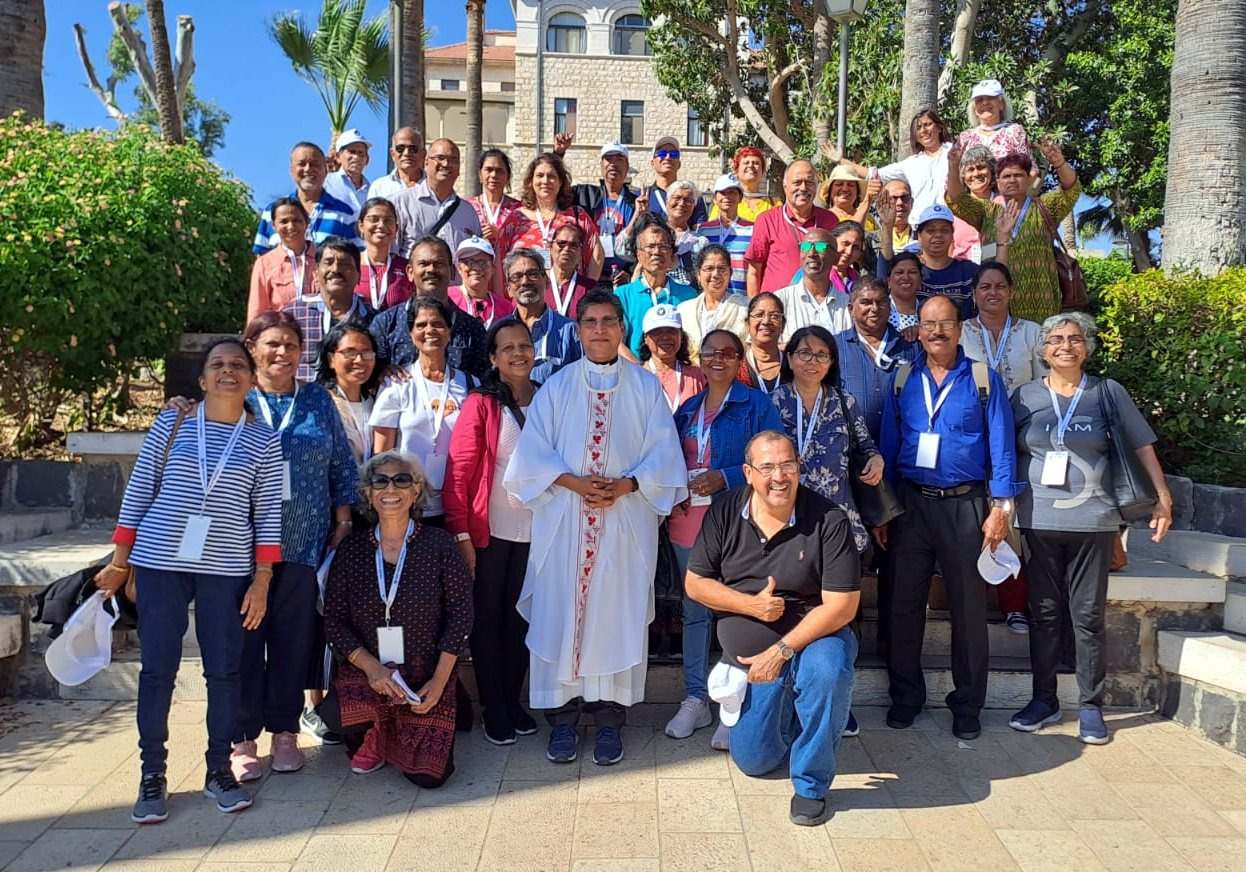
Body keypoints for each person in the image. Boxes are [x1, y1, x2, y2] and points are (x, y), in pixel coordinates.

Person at [99, 339, 282, 824]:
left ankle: (218, 770)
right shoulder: (174, 421)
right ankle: (152, 774)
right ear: (202, 380)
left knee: (224, 671)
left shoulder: (264, 441)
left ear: (252, 378)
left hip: (226, 570)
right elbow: (140, 489)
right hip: (161, 562)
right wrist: (121, 562)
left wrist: (262, 579)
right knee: (158, 670)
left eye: (238, 366)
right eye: (217, 365)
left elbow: (266, 515)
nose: (228, 372)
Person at [503, 289, 688, 766]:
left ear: (622, 328)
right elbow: (532, 457)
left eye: (609, 321)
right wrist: (574, 483)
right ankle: (562, 722)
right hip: (564, 520)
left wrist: (627, 485)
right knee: (559, 616)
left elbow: (666, 457)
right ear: (578, 329)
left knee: (615, 617)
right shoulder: (557, 387)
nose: (600, 329)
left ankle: (609, 721)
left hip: (624, 523)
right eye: (591, 321)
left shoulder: (646, 389)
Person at [1009, 312, 1173, 744]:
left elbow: (1143, 444)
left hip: (1095, 521)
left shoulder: (1107, 392)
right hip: (1038, 520)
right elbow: (1006, 451)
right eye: (1057, 339)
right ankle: (1043, 700)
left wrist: (1162, 495)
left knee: (1086, 616)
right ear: (1043, 348)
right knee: (1043, 615)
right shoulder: (1024, 396)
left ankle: (1090, 706)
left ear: (1088, 346)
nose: (1066, 345)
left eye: (1075, 338)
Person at [685, 430, 860, 827]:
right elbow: (695, 584)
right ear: (748, 473)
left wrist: (781, 651)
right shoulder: (725, 512)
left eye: (787, 465)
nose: (778, 477)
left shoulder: (829, 519)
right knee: (755, 761)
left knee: (825, 671)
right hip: (753, 660)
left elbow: (842, 606)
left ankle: (811, 785)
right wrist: (750, 606)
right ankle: (800, 715)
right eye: (767, 467)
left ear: (800, 469)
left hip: (815, 637)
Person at [877, 296, 1021, 740]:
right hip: (911, 505)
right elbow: (887, 445)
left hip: (967, 506)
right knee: (903, 606)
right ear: (917, 329)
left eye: (945, 324)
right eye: (928, 324)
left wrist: (1001, 508)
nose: (936, 331)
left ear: (961, 328)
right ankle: (906, 696)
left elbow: (1002, 444)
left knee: (968, 610)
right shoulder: (902, 378)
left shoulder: (982, 378)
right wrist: (882, 510)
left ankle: (968, 703)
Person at [232, 312, 357, 779]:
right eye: (271, 344)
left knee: (291, 642)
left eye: (289, 344)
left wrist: (343, 520)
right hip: (240, 546)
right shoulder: (237, 400)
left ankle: (285, 733)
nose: (281, 353)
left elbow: (342, 462)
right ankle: (242, 738)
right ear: (251, 347)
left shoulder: (317, 400)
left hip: (305, 545)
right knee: (244, 644)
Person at [319, 450, 473, 785]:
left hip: (424, 675)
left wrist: (440, 680)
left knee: (430, 777)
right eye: (380, 481)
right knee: (333, 715)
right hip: (372, 672)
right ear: (368, 494)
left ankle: (389, 733)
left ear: (416, 491)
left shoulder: (440, 545)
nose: (391, 488)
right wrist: (372, 668)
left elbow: (461, 615)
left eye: (402, 479)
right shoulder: (352, 550)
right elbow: (334, 622)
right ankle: (382, 729)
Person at [665, 331, 783, 747]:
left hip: (736, 524)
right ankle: (696, 698)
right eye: (710, 352)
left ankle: (733, 701)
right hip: (686, 524)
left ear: (739, 361)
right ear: (700, 359)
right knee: (695, 612)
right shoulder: (687, 408)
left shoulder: (756, 405)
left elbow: (774, 464)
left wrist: (728, 476)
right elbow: (667, 459)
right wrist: (672, 491)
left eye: (727, 353)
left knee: (737, 613)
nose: (718, 359)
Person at [445, 320, 540, 745]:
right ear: (492, 357)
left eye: (524, 345)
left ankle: (513, 701)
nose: (518, 353)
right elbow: (458, 475)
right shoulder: (480, 404)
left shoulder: (547, 398)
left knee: (522, 620)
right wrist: (462, 536)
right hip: (490, 534)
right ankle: (494, 707)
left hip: (538, 533)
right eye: (508, 348)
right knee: (488, 622)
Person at [772, 326, 883, 556]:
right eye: (805, 353)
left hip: (838, 515)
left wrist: (876, 459)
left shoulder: (844, 401)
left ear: (831, 361)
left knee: (840, 589)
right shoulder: (772, 403)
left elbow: (867, 445)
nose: (813, 361)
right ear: (790, 359)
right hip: (787, 515)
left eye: (822, 355)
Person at [947, 139, 1080, 323]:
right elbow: (956, 199)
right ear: (998, 182)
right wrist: (954, 166)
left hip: (1041, 304)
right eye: (1006, 176)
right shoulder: (987, 211)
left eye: (1018, 175)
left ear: (1028, 179)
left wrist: (1059, 163)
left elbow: (1070, 190)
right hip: (996, 307)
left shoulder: (1045, 207)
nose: (1011, 180)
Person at [371, 296, 477, 524]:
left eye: (438, 324)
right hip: (406, 508)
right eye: (421, 325)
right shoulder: (395, 386)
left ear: (449, 331)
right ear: (410, 333)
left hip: (456, 508)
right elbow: (380, 458)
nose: (430, 330)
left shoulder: (470, 384)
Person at [369, 236, 489, 377]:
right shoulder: (385, 324)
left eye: (438, 263)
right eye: (423, 264)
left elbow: (483, 384)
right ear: (410, 272)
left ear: (452, 271)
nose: (431, 269)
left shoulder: (473, 329)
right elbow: (370, 375)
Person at [879, 202, 995, 322]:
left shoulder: (969, 271)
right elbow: (884, 273)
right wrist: (887, 226)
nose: (938, 235)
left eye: (944, 230)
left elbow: (999, 281)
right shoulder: (909, 272)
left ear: (952, 235)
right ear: (919, 235)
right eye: (931, 231)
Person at [834, 276, 917, 443]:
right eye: (866, 302)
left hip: (903, 447)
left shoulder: (911, 345)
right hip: (852, 451)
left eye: (881, 302)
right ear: (851, 309)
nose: (875, 308)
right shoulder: (834, 347)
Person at [498, 153, 603, 281]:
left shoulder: (577, 216)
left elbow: (596, 254)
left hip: (569, 296)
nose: (545, 181)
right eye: (540, 175)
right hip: (524, 296)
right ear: (531, 182)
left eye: (552, 176)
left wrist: (587, 289)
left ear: (561, 182)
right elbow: (499, 260)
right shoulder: (516, 218)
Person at [283, 237, 374, 382]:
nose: (336, 269)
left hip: (352, 401)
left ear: (359, 276)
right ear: (315, 273)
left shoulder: (373, 320)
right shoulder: (292, 315)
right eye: (328, 262)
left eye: (345, 264)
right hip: (301, 399)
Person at [842, 109, 953, 223]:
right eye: (918, 128)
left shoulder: (955, 152)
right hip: (919, 227)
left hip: (952, 224)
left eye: (928, 124)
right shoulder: (911, 163)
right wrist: (840, 160)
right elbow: (873, 174)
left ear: (939, 127)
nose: (923, 130)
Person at [745, 160, 838, 296]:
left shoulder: (830, 220)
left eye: (809, 182)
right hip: (777, 309)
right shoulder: (767, 220)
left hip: (819, 304)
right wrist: (754, 310)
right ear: (785, 186)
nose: (803, 188)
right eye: (797, 182)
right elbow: (753, 271)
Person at [254, 142, 361, 255]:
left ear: (325, 171)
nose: (308, 169)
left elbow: (357, 258)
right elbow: (260, 259)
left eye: (315, 164)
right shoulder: (271, 212)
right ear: (291, 170)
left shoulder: (346, 214)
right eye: (301, 164)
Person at [616, 214, 698, 360]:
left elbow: (693, 343)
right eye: (650, 247)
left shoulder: (688, 295)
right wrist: (643, 374)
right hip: (637, 375)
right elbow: (617, 343)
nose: (656, 252)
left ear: (671, 252)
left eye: (662, 246)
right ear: (638, 254)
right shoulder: (623, 296)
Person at [567, 140, 645, 286]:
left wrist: (630, 272)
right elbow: (556, 188)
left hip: (622, 280)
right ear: (601, 165)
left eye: (619, 159)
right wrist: (559, 153)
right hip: (589, 276)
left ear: (627, 167)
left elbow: (642, 244)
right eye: (608, 159)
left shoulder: (637, 204)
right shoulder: (584, 195)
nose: (613, 164)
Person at [393, 138, 483, 259]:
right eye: (440, 158)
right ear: (426, 163)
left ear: (459, 169)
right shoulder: (401, 202)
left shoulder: (468, 212)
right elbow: (390, 254)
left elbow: (475, 258)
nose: (446, 164)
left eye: (453, 160)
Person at [315, 320, 381, 467]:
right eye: (350, 353)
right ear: (331, 360)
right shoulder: (320, 404)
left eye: (367, 353)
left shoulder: (375, 401)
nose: (359, 360)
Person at [773, 228, 854, 344]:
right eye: (805, 247)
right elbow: (760, 349)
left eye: (820, 247)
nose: (811, 253)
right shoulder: (779, 300)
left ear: (835, 258)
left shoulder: (847, 305)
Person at [622, 179, 704, 286]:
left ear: (694, 206)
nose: (682, 203)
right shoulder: (651, 232)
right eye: (677, 198)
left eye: (688, 200)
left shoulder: (700, 242)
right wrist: (638, 214)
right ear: (667, 202)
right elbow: (622, 250)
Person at [678, 244, 750, 362]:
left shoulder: (745, 307)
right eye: (709, 268)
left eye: (722, 269)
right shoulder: (684, 310)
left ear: (730, 273)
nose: (716, 274)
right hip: (693, 376)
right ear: (698, 274)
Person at [248, 198, 316, 322]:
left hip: (319, 334)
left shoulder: (323, 259)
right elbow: (257, 311)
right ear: (274, 226)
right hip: (282, 337)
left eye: (297, 221)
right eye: (283, 221)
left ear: (306, 223)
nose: (291, 226)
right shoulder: (265, 263)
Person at [639, 304, 707, 415]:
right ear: (646, 338)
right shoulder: (636, 377)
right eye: (657, 332)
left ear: (681, 336)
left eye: (671, 331)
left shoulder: (698, 376)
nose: (665, 337)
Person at [695, 174, 754, 296]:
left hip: (741, 298)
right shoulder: (704, 230)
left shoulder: (752, 229)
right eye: (722, 193)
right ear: (715, 199)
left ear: (740, 197)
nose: (727, 197)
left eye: (732, 192)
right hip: (711, 297)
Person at [355, 197, 411, 311]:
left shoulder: (407, 268)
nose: (381, 225)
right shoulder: (350, 265)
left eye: (388, 220)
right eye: (374, 219)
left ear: (396, 229)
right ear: (361, 226)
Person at [955, 79, 1033, 162]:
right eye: (979, 100)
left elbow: (1031, 170)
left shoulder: (1015, 132)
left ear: (1002, 104)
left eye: (990, 98)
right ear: (974, 109)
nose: (985, 103)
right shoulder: (965, 137)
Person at [448, 236, 514, 329]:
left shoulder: (505, 308)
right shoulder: (447, 298)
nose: (477, 268)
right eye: (469, 262)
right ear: (459, 267)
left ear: (493, 268)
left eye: (482, 262)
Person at [951, 145, 1000, 262]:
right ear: (963, 175)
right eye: (970, 170)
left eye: (981, 167)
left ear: (991, 171)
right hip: (962, 273)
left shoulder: (1004, 203)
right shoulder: (956, 208)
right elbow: (950, 247)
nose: (976, 174)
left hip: (995, 271)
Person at [646, 136, 708, 227]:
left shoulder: (692, 196)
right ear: (652, 163)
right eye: (662, 153)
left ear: (679, 164)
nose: (668, 157)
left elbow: (700, 230)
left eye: (674, 154)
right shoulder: (643, 196)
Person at [711, 146, 781, 222]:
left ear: (762, 171)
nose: (751, 166)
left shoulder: (775, 204)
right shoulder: (725, 202)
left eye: (756, 163)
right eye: (746, 163)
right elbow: (712, 229)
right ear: (737, 170)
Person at [736, 293, 786, 394]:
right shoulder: (735, 367)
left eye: (774, 316)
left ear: (783, 325)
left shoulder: (794, 366)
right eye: (759, 315)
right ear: (747, 324)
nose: (766, 321)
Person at [546, 223, 597, 318]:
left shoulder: (590, 288)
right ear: (551, 247)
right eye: (561, 243)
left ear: (581, 252)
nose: (567, 249)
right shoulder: (538, 284)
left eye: (574, 245)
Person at [366, 127, 425, 202]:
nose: (406, 153)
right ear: (393, 154)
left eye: (413, 149)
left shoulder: (433, 185)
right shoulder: (379, 187)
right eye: (400, 148)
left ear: (423, 154)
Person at [324, 128, 372, 217]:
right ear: (338, 157)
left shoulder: (373, 191)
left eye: (361, 153)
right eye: (351, 152)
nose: (356, 157)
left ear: (367, 160)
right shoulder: (326, 184)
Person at [886, 252, 922, 339]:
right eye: (899, 272)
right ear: (888, 280)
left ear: (921, 279)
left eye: (912, 272)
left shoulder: (928, 311)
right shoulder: (879, 310)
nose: (906, 277)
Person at [878, 179, 917, 254]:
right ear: (881, 203)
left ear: (911, 203)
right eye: (893, 198)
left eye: (905, 197)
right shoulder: (870, 240)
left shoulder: (923, 238)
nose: (900, 203)